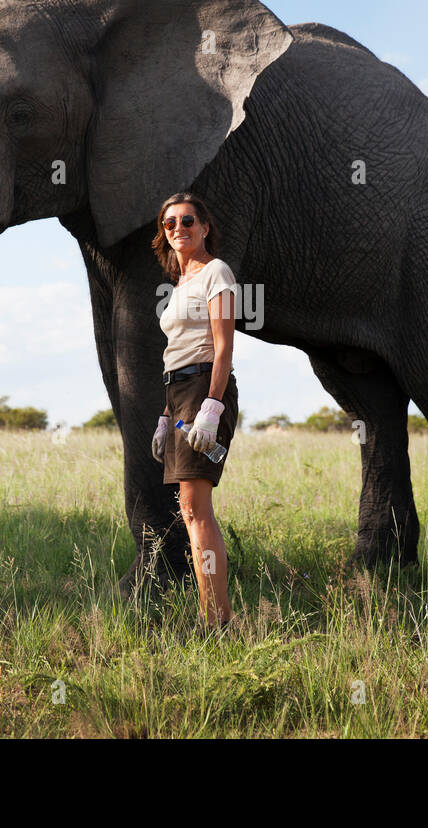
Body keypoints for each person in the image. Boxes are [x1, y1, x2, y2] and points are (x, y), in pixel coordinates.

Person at [149, 191, 239, 631]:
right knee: (189, 509)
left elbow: (223, 347)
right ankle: (212, 616)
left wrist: (212, 406)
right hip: (179, 393)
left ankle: (217, 622)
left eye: (187, 221)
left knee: (194, 506)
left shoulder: (215, 273)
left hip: (206, 388)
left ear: (204, 227)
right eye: (170, 224)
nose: (179, 229)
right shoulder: (179, 283)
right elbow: (173, 352)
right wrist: (167, 415)